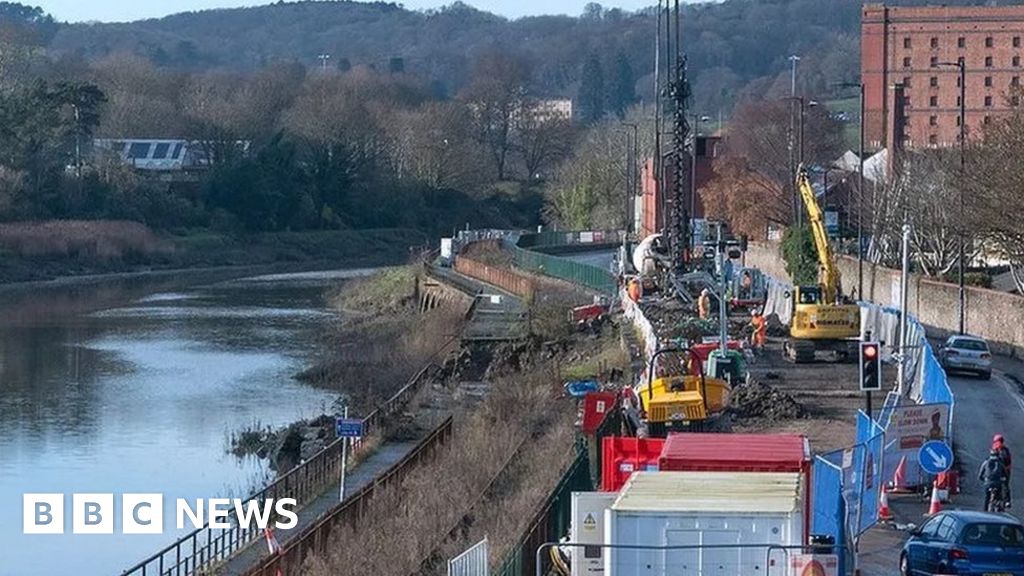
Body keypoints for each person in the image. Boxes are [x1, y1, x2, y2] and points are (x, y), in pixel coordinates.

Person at [994, 434, 1013, 507]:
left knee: (1004, 485)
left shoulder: (996, 449)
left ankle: (1004, 500)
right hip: (1003, 471)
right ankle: (1006, 501)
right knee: (1005, 485)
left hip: (1000, 471)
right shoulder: (1005, 450)